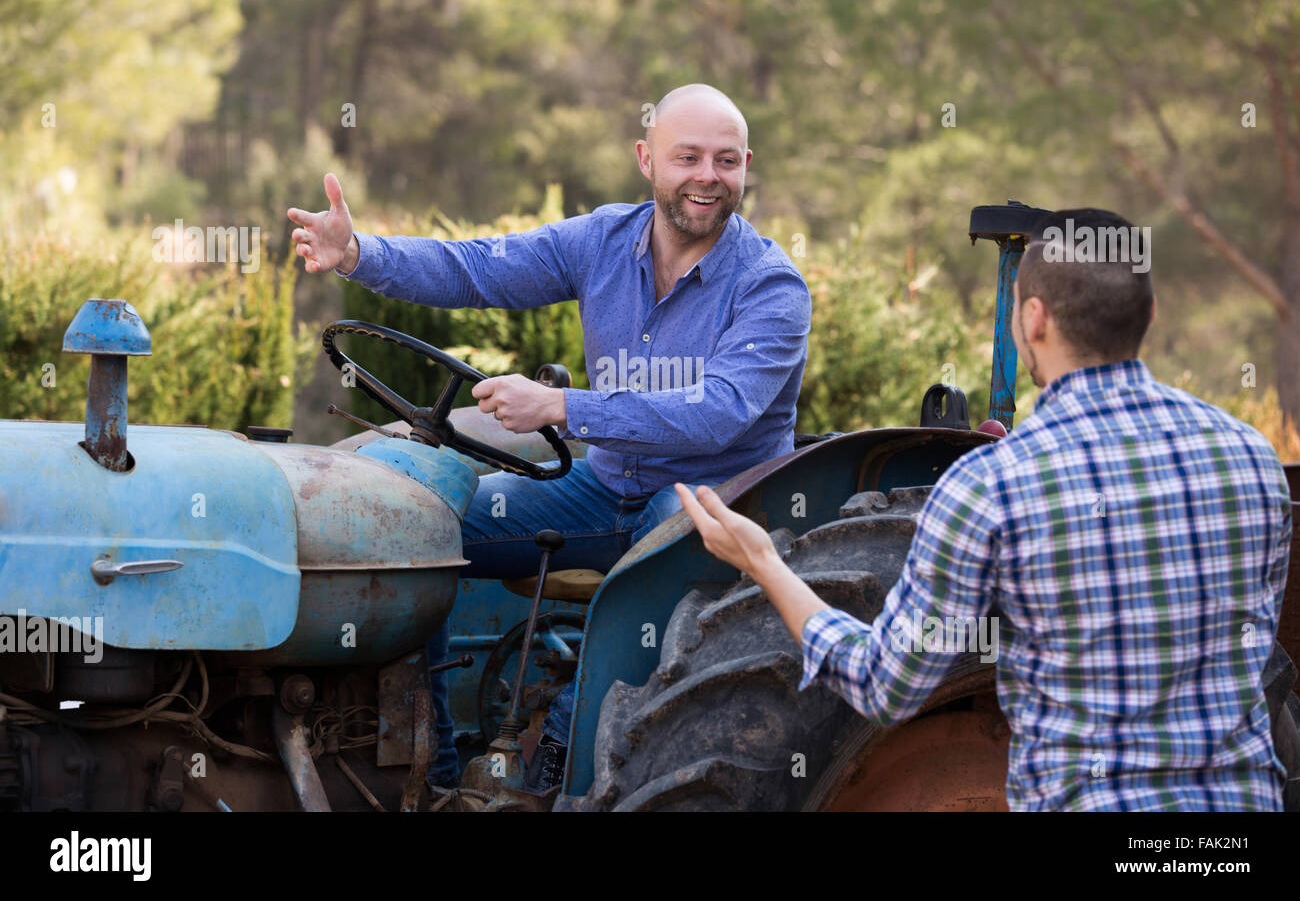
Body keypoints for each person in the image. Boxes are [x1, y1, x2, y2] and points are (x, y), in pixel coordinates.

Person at [676, 207, 1293, 811]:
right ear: (1150, 315)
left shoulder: (992, 486)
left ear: (1034, 318)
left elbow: (884, 687)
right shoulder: (1251, 458)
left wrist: (764, 562)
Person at [287, 84, 812, 792]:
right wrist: (358, 253)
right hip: (602, 489)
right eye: (687, 157)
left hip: (710, 507)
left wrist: (562, 405)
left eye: (725, 160)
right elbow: (478, 268)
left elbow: (717, 412)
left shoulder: (771, 287)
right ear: (646, 159)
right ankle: (433, 777)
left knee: (652, 572)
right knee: (412, 534)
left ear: (747, 164)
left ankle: (543, 780)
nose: (707, 177)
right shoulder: (601, 241)